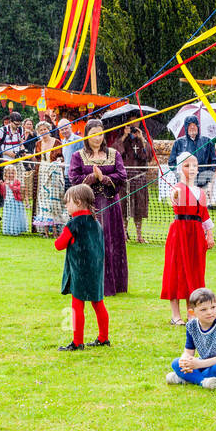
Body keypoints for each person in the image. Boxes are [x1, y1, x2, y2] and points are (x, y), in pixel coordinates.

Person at [68, 119, 129, 295]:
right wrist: (92, 178)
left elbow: (122, 176)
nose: (97, 137)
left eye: (100, 133)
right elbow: (74, 179)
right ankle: (88, 283)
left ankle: (112, 285)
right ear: (87, 135)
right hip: (88, 207)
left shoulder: (114, 154)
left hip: (110, 205)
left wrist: (104, 178)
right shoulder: (78, 156)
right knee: (90, 242)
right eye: (94, 133)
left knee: (109, 240)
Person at [54, 183, 111, 351]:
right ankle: (103, 338)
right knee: (98, 303)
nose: (66, 205)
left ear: (78, 202)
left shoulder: (73, 224)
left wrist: (61, 234)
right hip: (96, 270)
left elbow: (59, 245)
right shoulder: (96, 223)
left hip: (80, 270)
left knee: (77, 305)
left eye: (68, 202)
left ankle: (77, 342)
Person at [161, 152, 215, 324]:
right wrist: (176, 196)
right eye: (187, 165)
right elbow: (175, 199)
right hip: (180, 234)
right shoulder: (176, 188)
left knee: (195, 273)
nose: (191, 169)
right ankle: (175, 315)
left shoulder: (200, 191)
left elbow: (205, 215)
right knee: (176, 272)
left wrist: (210, 234)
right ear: (180, 169)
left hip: (196, 236)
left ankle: (192, 312)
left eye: (194, 165)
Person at [165, 287, 216, 388]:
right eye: (203, 309)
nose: (210, 312)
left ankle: (187, 378)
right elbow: (188, 352)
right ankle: (204, 381)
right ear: (192, 312)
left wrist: (199, 364)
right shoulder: (191, 325)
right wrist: (185, 360)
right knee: (176, 363)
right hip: (204, 362)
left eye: (213, 307)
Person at [118, 123, 154, 243]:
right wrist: (124, 136)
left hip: (139, 178)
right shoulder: (122, 138)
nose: (133, 126)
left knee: (139, 207)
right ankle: (123, 234)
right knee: (124, 206)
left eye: (135, 123)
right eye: (130, 124)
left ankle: (139, 235)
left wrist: (142, 139)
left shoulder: (144, 138)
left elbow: (149, 156)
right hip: (125, 178)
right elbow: (115, 152)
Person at [33, 123, 67, 238]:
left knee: (55, 200)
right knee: (44, 200)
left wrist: (58, 160)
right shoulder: (38, 144)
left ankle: (56, 230)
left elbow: (61, 157)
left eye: (45, 129)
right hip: (42, 172)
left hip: (54, 172)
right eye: (41, 130)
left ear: (49, 130)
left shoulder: (57, 142)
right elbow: (37, 159)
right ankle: (46, 231)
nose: (43, 131)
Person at [168, 115, 216, 190]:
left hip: (202, 183)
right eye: (189, 125)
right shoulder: (178, 143)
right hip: (185, 183)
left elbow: (213, 161)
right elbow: (172, 162)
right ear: (186, 128)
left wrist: (208, 178)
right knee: (186, 201)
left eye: (194, 125)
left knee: (201, 201)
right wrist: (180, 176)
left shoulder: (207, 142)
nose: (192, 127)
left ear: (198, 126)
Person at [0, 164, 28, 236]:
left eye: (12, 173)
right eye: (9, 173)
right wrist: (1, 185)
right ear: (5, 174)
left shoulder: (17, 181)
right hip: (8, 201)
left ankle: (15, 230)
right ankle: (8, 230)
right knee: (8, 216)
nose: (11, 175)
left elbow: (19, 189)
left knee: (15, 216)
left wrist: (11, 186)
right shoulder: (4, 182)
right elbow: (2, 192)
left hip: (16, 202)